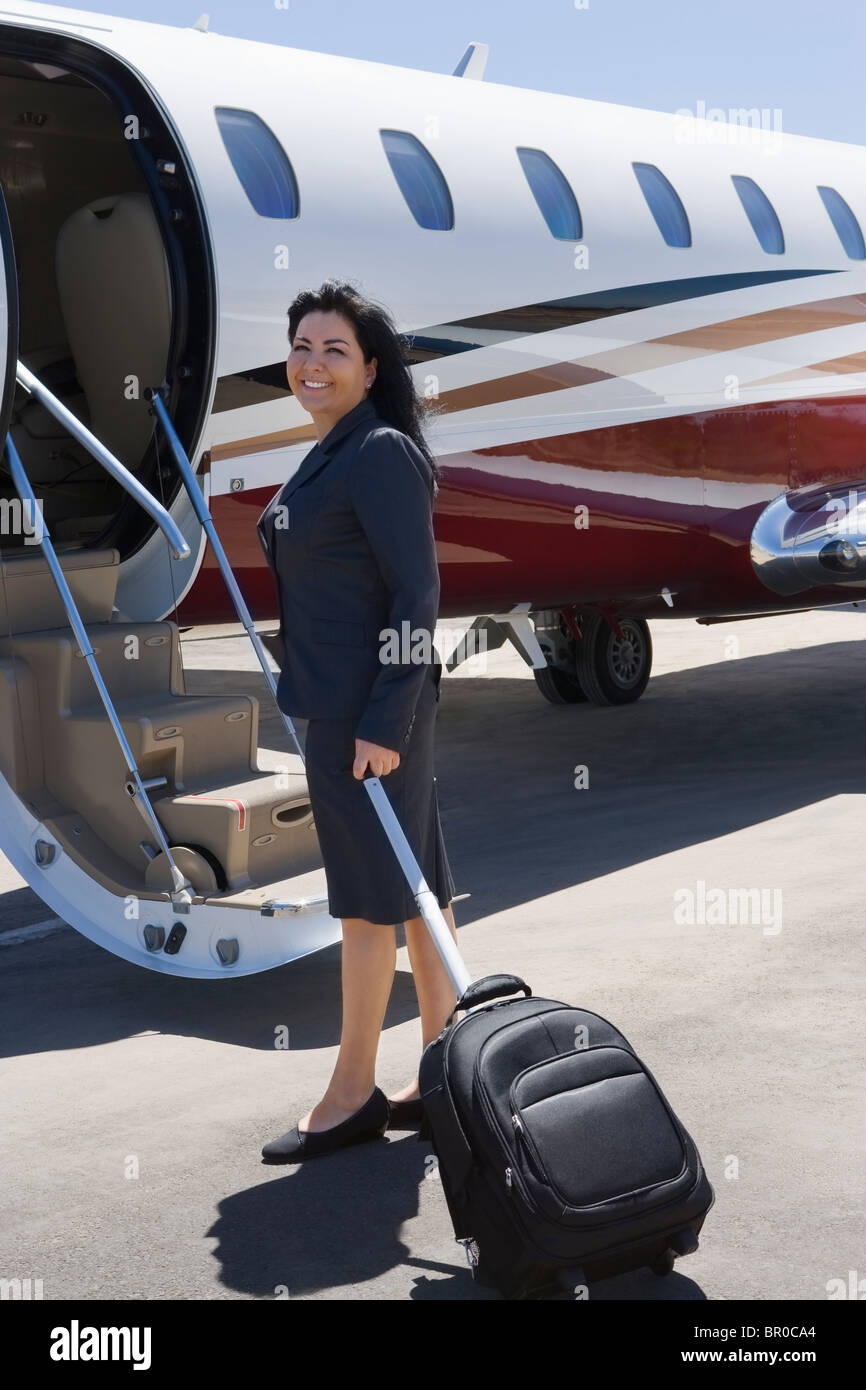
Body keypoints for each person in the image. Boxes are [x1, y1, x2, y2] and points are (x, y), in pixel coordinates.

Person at [256, 279, 460, 1163]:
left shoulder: (375, 451)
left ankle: (351, 1094)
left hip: (368, 717)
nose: (312, 362)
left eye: (334, 350)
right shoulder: (331, 449)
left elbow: (418, 593)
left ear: (371, 368)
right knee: (417, 893)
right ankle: (447, 1073)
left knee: (367, 907)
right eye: (302, 347)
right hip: (346, 704)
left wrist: (382, 722)